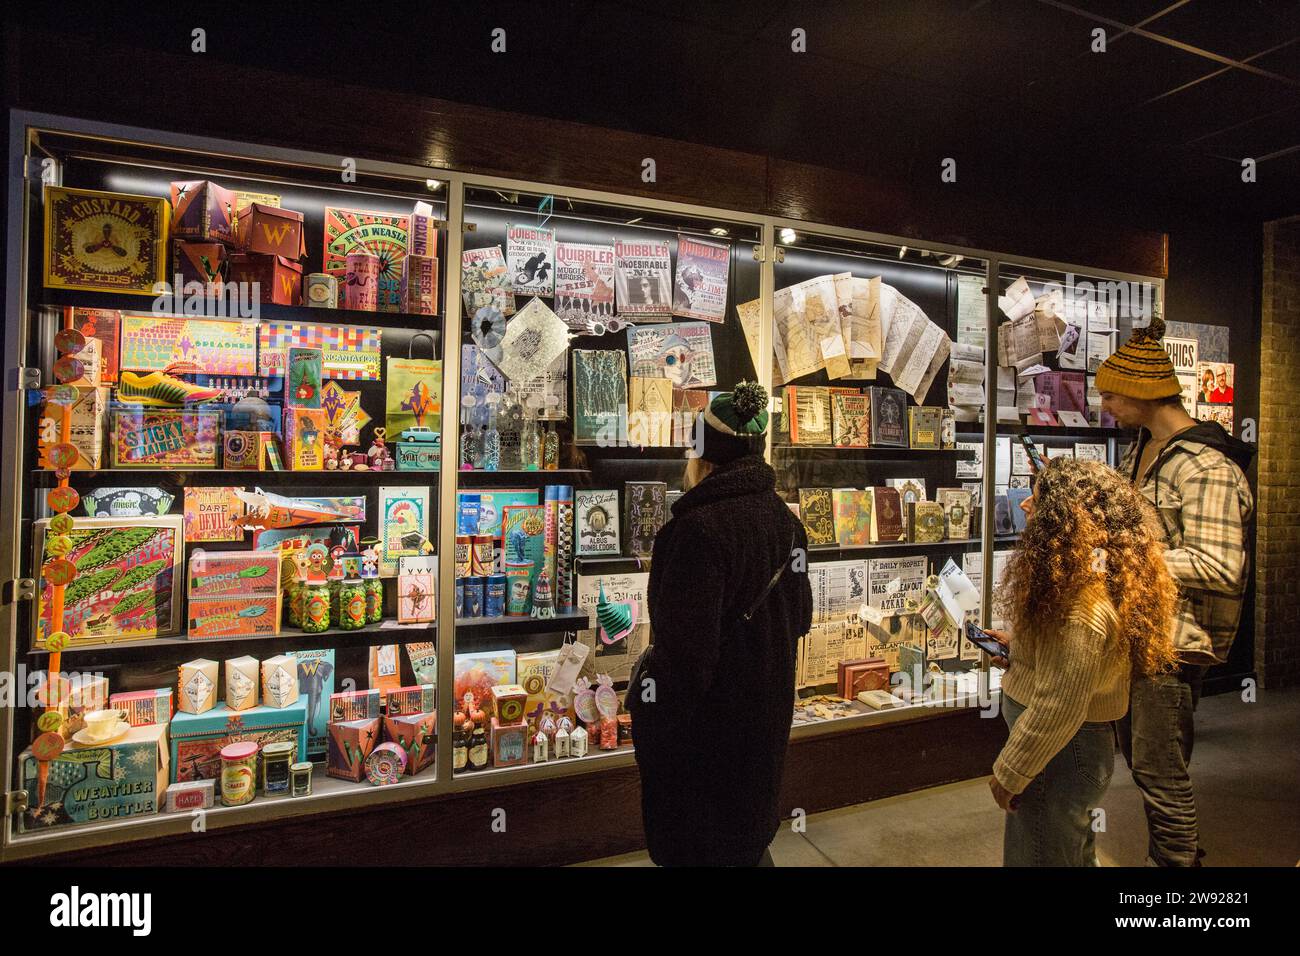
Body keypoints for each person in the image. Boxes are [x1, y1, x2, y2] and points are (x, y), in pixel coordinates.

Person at [629, 381, 812, 866]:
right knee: (746, 840)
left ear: (704, 457)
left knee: (701, 842)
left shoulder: (694, 532)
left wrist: (650, 712)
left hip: (706, 737)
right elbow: (801, 618)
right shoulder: (788, 524)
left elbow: (684, 661)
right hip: (765, 717)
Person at [1096, 317, 1254, 867]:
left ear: (1142, 393)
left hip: (1171, 643)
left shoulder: (1206, 466)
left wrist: (1124, 556)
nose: (1107, 405)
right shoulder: (1144, 451)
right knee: (1144, 764)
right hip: (1136, 634)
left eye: (1113, 394)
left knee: (1163, 775)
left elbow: (1220, 565)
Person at [988, 458, 1177, 866]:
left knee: (1041, 856)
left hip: (1058, 757)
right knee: (1069, 853)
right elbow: (1070, 669)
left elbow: (1060, 704)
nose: (1024, 506)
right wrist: (1022, 652)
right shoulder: (1089, 578)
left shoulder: (1082, 605)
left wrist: (1011, 771)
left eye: (1037, 499)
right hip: (1064, 754)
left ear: (1065, 516)